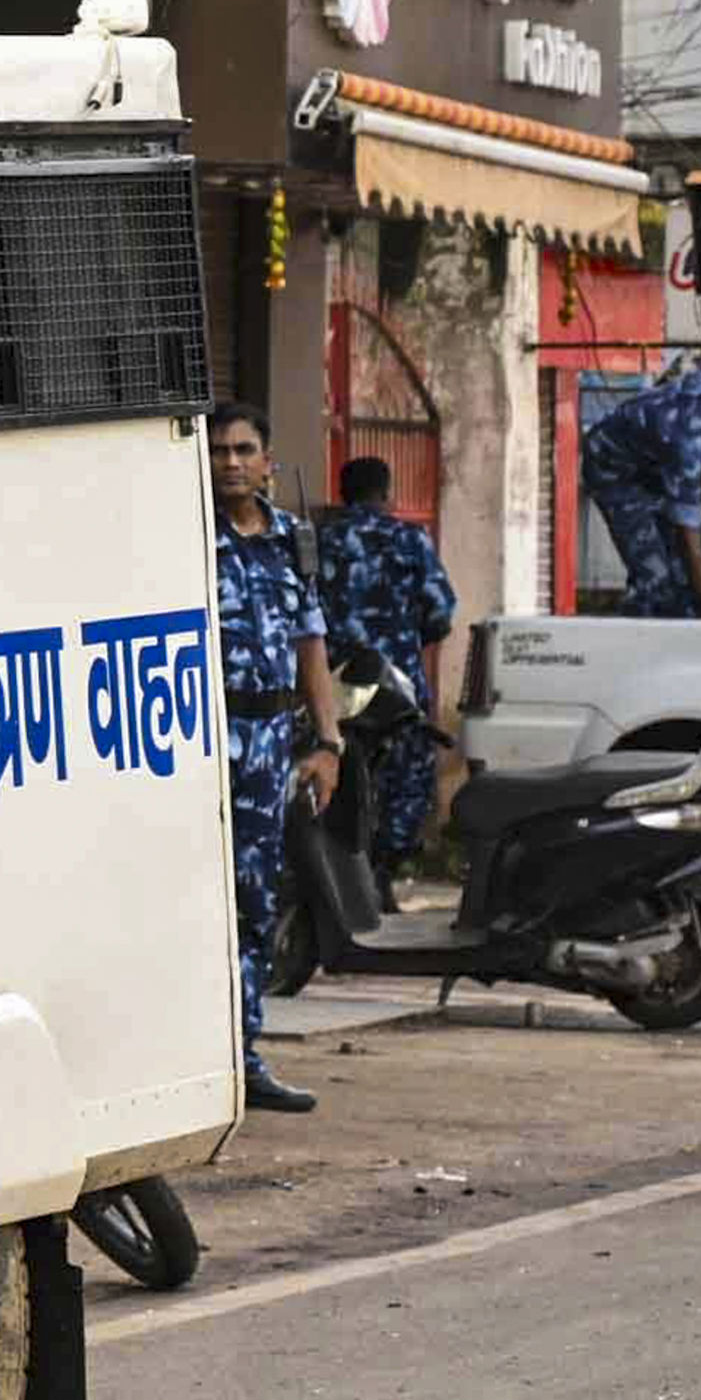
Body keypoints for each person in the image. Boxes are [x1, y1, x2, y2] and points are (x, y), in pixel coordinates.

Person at [210, 404, 342, 1113]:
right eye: (219, 451)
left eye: (243, 449)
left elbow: (310, 643)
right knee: (196, 901)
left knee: (256, 898)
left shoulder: (293, 541)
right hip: (198, 739)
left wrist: (328, 742)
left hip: (267, 743)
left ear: (268, 460)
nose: (230, 462)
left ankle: (243, 1053)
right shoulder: (190, 535)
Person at [319, 456, 456, 901]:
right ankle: (384, 868)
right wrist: (407, 637)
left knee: (342, 773)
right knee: (406, 775)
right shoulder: (410, 539)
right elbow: (440, 611)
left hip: (335, 684)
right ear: (386, 492)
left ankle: (343, 875)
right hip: (397, 684)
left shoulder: (323, 540)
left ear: (343, 493)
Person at [581, 360, 701, 618]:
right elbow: (689, 540)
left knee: (682, 578)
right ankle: (633, 638)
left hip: (651, 468)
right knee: (656, 577)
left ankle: (679, 623)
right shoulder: (685, 445)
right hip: (613, 470)